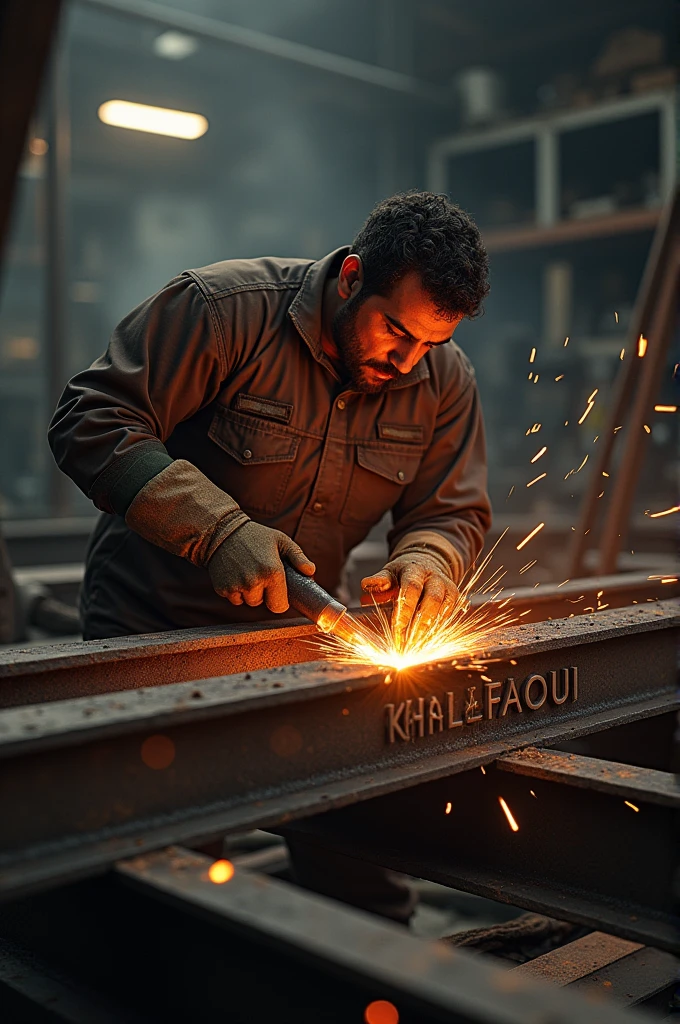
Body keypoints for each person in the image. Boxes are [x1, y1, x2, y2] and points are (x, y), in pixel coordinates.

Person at [49, 190, 492, 923]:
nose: (408, 359)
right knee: (171, 870)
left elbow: (448, 511)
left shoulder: (442, 380)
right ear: (352, 277)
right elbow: (92, 419)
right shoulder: (223, 311)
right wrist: (218, 529)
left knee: (362, 869)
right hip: (157, 634)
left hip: (305, 640)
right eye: (395, 331)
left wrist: (431, 560)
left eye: (430, 343)